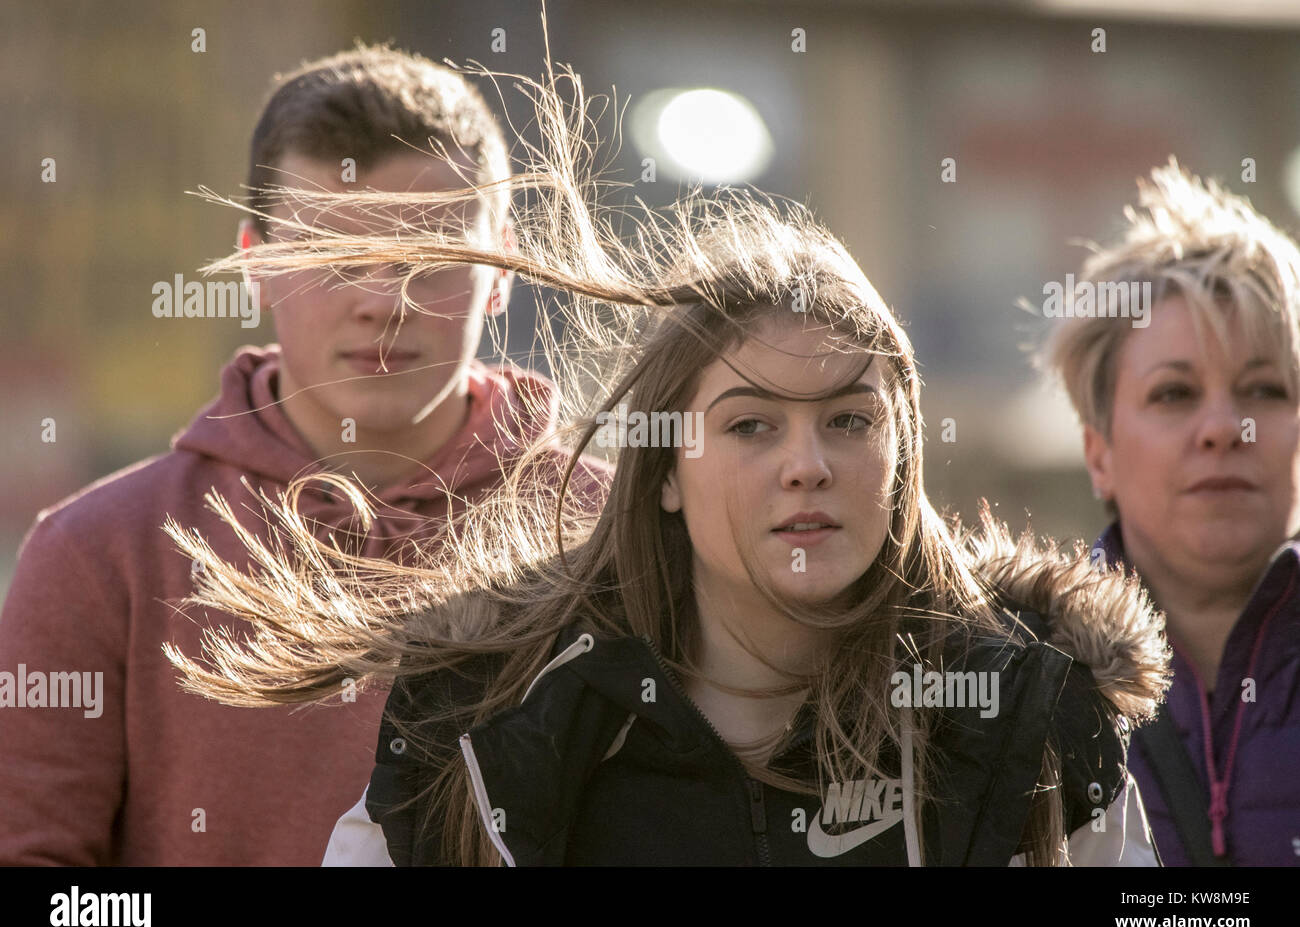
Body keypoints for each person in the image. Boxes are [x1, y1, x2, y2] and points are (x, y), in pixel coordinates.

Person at [166, 62, 1169, 867]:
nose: (807, 464)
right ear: (659, 470)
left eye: (850, 421)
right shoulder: (481, 730)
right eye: (749, 426)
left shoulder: (1031, 714)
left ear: (903, 456)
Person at [0, 43, 608, 865]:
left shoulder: (615, 540)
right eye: (330, 257)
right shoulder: (100, 554)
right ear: (254, 265)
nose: (377, 302)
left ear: (503, 265)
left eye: (428, 258)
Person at [1040, 159, 1300, 866]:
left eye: (1265, 390)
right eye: (1174, 394)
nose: (1223, 428)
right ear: (1100, 452)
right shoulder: (1018, 680)